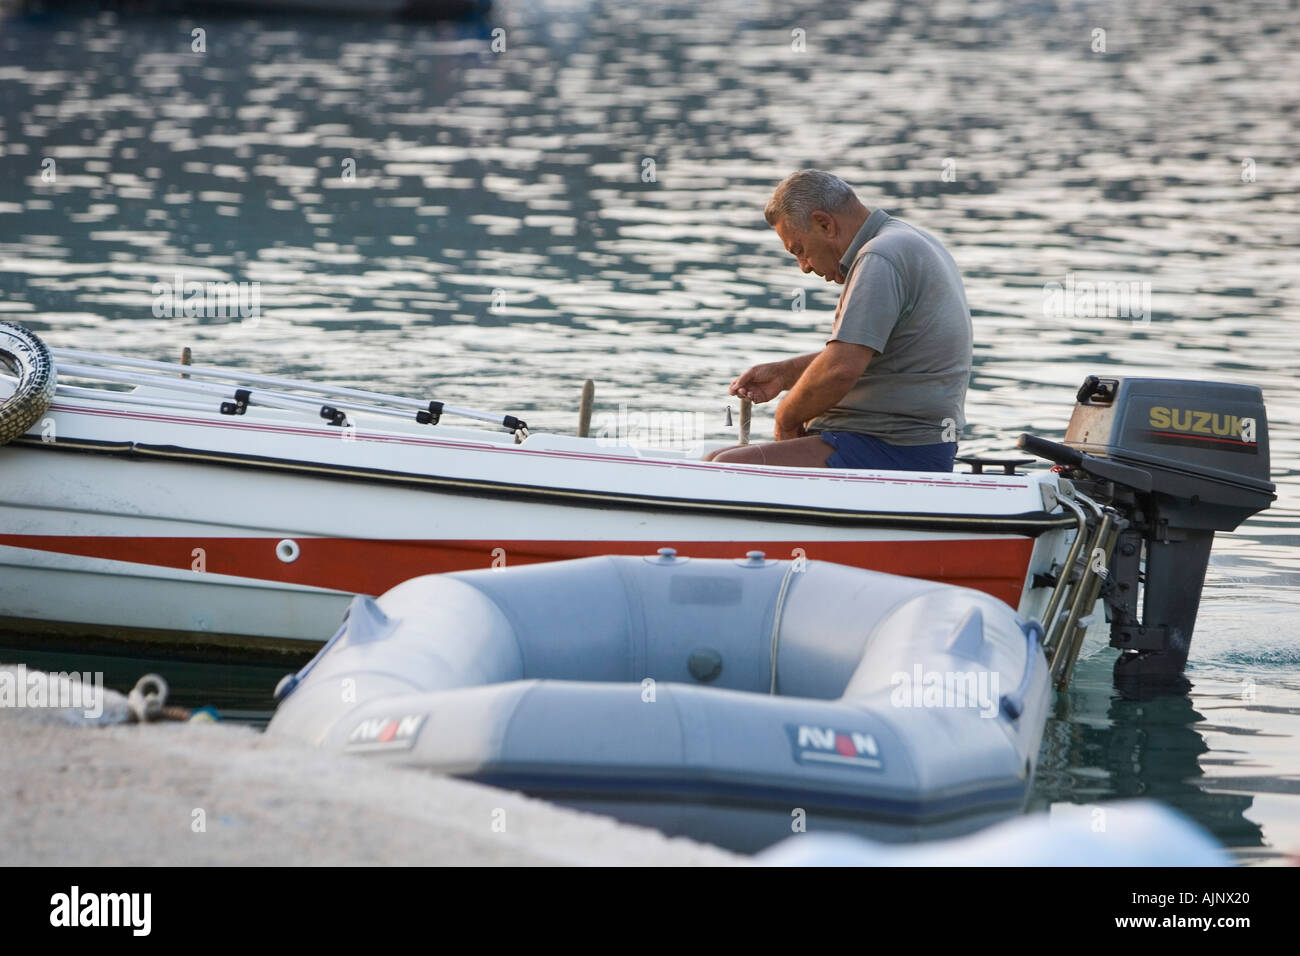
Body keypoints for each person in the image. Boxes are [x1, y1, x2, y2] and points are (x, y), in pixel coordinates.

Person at [706, 170, 972, 471]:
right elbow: (864, 356)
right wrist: (784, 375)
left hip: (896, 446)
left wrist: (786, 418)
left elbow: (841, 369)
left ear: (824, 224)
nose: (804, 267)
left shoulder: (879, 256)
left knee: (727, 467)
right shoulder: (907, 240)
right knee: (714, 459)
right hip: (895, 440)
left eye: (800, 251)